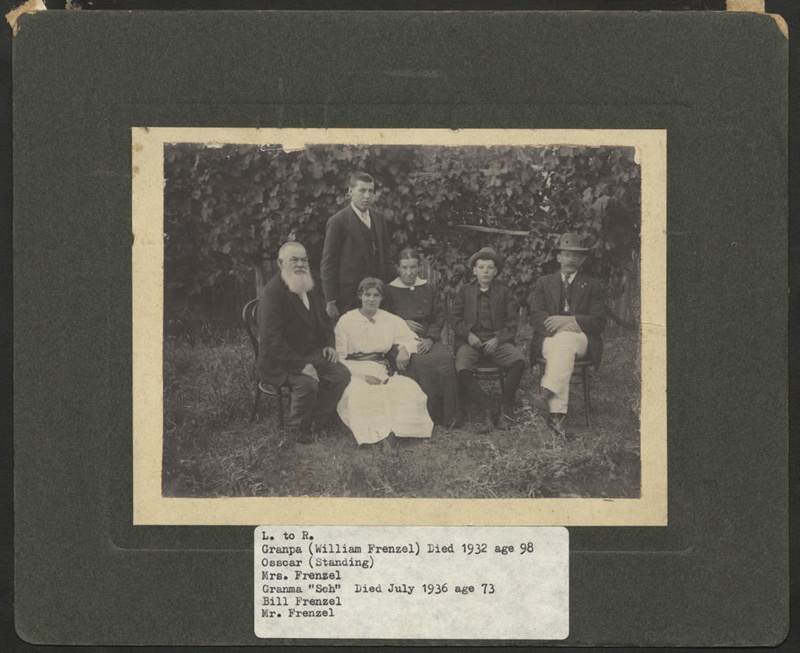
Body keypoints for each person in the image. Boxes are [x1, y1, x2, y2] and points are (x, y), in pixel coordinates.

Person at [257, 242, 351, 444]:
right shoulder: (272, 294)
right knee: (308, 383)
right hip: (280, 361)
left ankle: (317, 420)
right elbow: (270, 340)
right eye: (294, 260)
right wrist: (301, 366)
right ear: (281, 263)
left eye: (303, 259)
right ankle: (297, 428)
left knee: (342, 374)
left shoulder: (309, 285)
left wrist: (328, 344)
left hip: (311, 353)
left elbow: (325, 322)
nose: (300, 264)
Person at [335, 277, 434, 446]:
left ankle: (394, 432)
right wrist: (363, 376)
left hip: (380, 368)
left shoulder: (389, 319)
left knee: (405, 389)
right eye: (367, 295)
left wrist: (404, 349)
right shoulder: (346, 321)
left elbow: (410, 338)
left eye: (376, 295)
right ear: (360, 296)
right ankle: (375, 435)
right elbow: (339, 358)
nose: (371, 299)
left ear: (382, 298)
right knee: (363, 394)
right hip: (353, 371)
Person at [529, 233, 606, 429]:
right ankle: (557, 418)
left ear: (582, 260)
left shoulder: (592, 285)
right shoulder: (544, 283)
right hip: (550, 337)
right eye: (567, 254)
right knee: (561, 346)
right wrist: (559, 326)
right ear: (558, 257)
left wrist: (571, 320)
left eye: (576, 255)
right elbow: (536, 316)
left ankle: (546, 395)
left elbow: (599, 322)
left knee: (565, 342)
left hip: (581, 340)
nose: (571, 259)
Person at [450, 247, 526, 433]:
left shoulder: (505, 292)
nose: (485, 271)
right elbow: (455, 318)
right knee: (461, 367)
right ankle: (486, 405)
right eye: (481, 267)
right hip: (471, 341)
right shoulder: (464, 291)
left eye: (490, 267)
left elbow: (512, 322)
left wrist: (497, 339)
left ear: (495, 271)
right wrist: (468, 334)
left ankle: (504, 406)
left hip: (497, 341)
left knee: (519, 361)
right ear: (474, 270)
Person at [384, 248, 459, 426]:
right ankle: (422, 416)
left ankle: (448, 417)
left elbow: (438, 317)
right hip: (400, 341)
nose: (409, 273)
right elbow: (383, 319)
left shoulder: (428, 288)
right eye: (404, 268)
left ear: (419, 268)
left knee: (445, 360)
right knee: (418, 362)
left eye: (413, 267)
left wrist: (431, 339)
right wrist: (403, 323)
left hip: (426, 338)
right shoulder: (389, 291)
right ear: (398, 268)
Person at [320, 173, 392, 321]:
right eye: (362, 190)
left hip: (376, 296)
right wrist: (330, 300)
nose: (367, 196)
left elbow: (386, 257)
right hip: (348, 296)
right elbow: (328, 263)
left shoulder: (379, 219)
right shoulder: (338, 221)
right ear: (350, 192)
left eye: (371, 191)